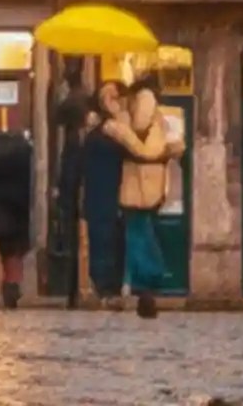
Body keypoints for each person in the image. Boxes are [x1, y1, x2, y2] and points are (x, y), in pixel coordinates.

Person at [103, 74, 182, 319]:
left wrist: (116, 128)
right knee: (137, 234)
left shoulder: (146, 114)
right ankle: (136, 285)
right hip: (140, 186)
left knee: (138, 235)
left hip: (141, 188)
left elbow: (145, 149)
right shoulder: (152, 117)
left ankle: (147, 281)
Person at [81, 80, 130, 308]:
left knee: (117, 244)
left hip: (119, 195)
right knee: (101, 243)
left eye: (115, 96)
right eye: (107, 97)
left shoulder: (122, 130)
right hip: (100, 196)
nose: (113, 101)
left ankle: (113, 289)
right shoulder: (97, 135)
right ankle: (105, 290)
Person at [0, 130, 34, 309]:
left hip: (0, 207)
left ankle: (10, 282)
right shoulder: (23, 155)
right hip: (20, 206)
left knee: (7, 249)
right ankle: (12, 283)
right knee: (16, 249)